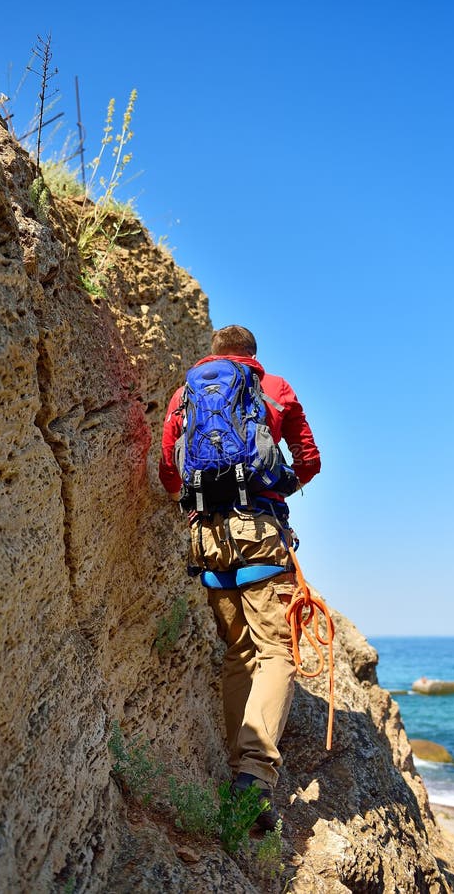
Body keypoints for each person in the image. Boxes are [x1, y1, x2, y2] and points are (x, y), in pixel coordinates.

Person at [159, 325, 321, 829]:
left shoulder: (185, 394)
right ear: (253, 356)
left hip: (206, 537)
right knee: (276, 651)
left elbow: (169, 468)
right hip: (260, 531)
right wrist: (284, 483)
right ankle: (253, 777)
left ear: (213, 356)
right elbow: (310, 459)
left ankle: (239, 774)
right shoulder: (273, 387)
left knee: (239, 653)